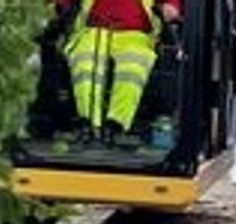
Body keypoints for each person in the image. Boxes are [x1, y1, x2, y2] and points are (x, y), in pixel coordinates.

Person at [55, 0, 180, 143]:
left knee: (132, 68)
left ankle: (116, 125)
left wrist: (170, 8)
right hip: (94, 30)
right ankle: (89, 123)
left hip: (136, 34)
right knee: (84, 62)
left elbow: (171, 7)